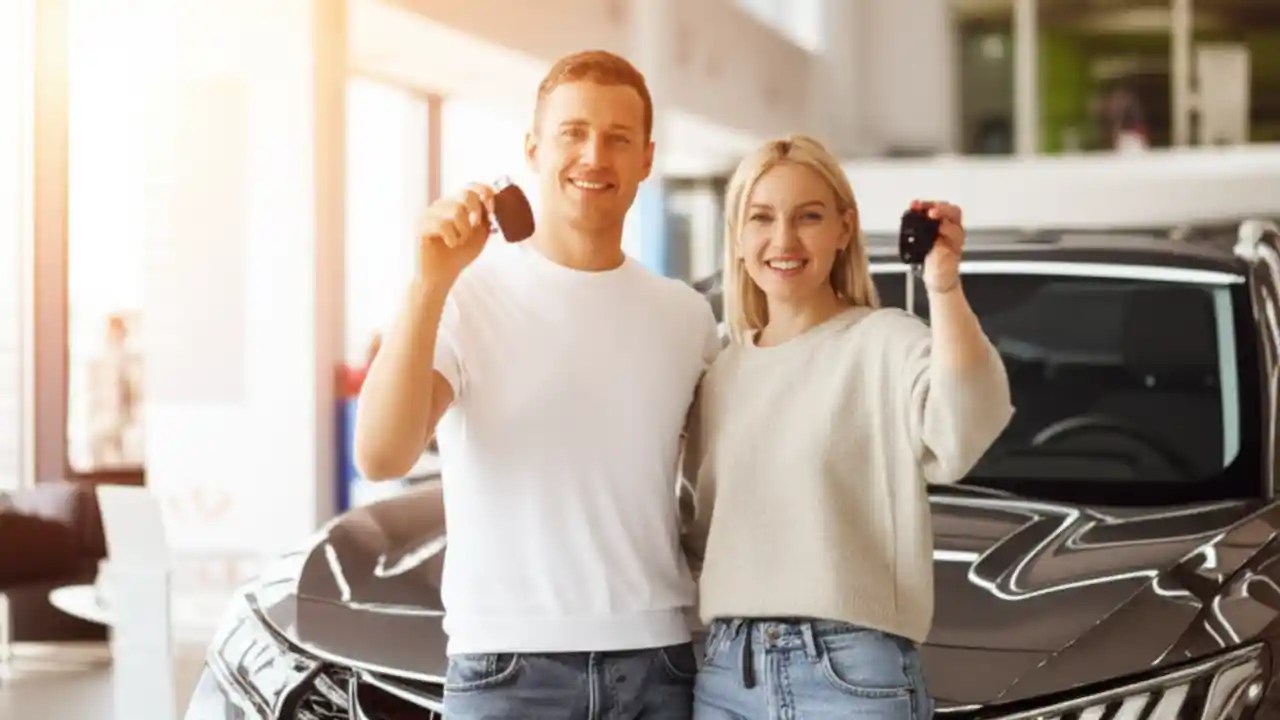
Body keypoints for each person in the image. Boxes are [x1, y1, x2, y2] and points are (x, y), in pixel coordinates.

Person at [353, 50, 720, 719]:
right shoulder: (464, 296)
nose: (593, 156)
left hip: (658, 666)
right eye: (573, 133)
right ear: (532, 149)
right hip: (506, 672)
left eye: (617, 138)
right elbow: (381, 455)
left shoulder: (686, 316)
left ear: (646, 158)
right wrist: (429, 283)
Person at [682, 135, 1014, 719]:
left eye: (808, 216)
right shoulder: (721, 372)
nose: (783, 239)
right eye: (761, 218)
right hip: (729, 676)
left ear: (844, 228)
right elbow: (700, 531)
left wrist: (943, 287)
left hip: (849, 673)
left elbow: (964, 432)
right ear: (737, 236)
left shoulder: (883, 340)